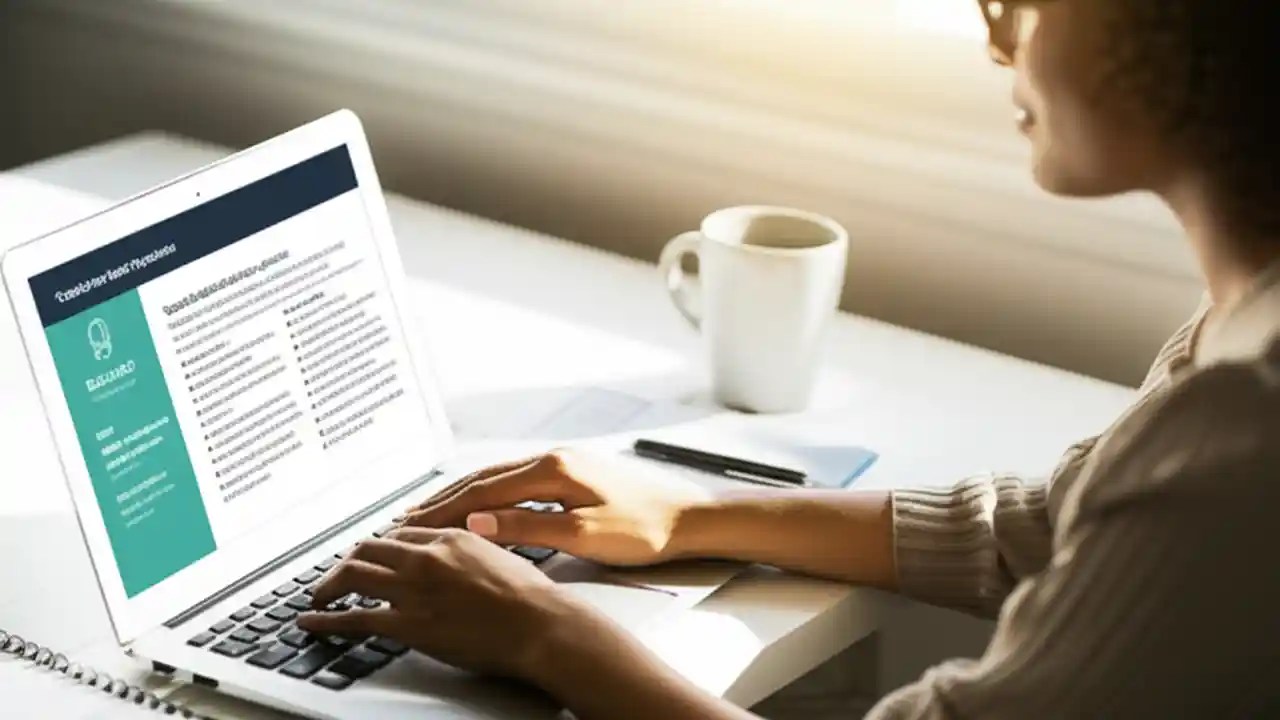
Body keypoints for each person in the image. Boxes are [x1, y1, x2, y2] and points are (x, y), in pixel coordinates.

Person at [299, 1, 1280, 716]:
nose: (995, 37)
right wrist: (695, 513)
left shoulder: (1245, 422)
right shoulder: (1242, 320)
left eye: (1025, 2)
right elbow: (1057, 527)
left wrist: (541, 632)